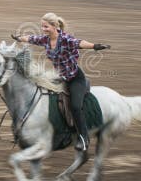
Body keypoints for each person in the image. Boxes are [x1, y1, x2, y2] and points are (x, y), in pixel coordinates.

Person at [12, 13, 110, 152]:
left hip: (75, 79)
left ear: (54, 26)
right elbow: (32, 38)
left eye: (46, 26)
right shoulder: (45, 40)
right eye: (42, 26)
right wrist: (19, 38)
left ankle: (83, 137)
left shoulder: (65, 39)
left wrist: (95, 46)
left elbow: (79, 43)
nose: (43, 29)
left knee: (75, 107)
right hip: (61, 78)